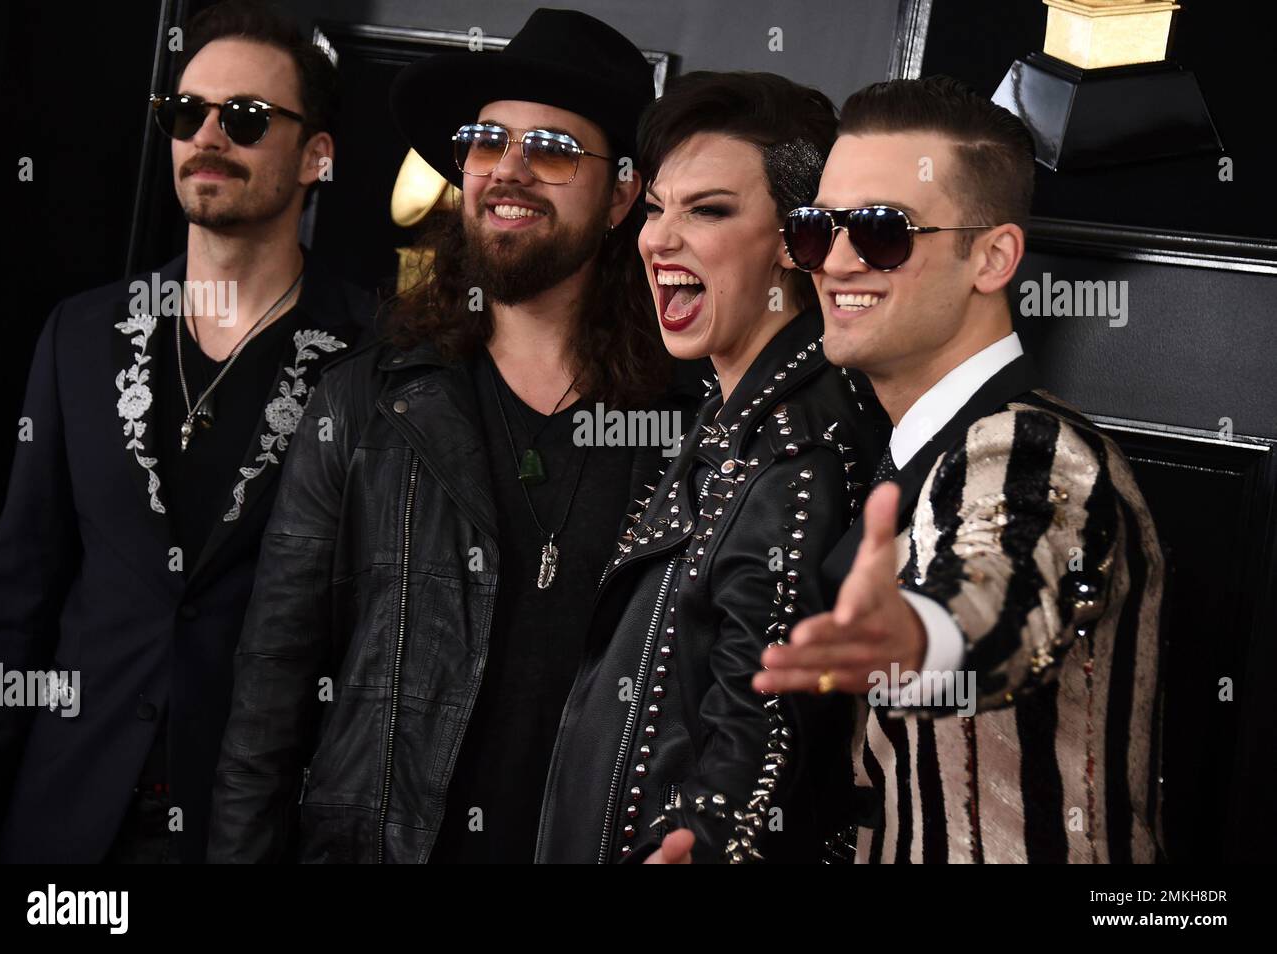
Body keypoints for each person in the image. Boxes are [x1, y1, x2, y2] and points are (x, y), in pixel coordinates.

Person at [207, 8, 693, 863]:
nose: (508, 171)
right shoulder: (363, 404)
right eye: (485, 141)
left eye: (550, 149)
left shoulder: (687, 425)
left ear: (621, 193)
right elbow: (268, 698)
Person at [0, 0, 371, 863]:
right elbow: (19, 596)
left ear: (318, 155)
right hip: (63, 818)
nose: (209, 137)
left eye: (247, 118)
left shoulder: (375, 360)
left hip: (249, 831)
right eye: (187, 114)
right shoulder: (78, 336)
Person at [756, 76, 1165, 863]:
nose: (836, 261)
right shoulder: (916, 447)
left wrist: (920, 634)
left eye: (881, 230)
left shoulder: (1032, 449)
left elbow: (1004, 586)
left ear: (993, 257)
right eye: (814, 229)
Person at [536, 71, 886, 864]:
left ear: (799, 241)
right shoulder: (736, 416)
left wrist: (705, 835)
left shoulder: (797, 455)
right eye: (658, 208)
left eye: (708, 211)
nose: (659, 239)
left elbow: (761, 724)